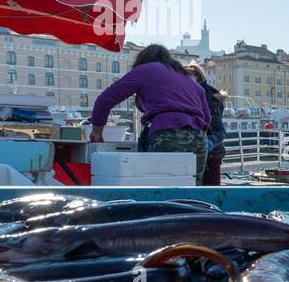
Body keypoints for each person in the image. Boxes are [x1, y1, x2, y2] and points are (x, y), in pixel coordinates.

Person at [89, 44, 210, 180]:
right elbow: (206, 116)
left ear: (143, 60)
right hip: (199, 139)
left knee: (162, 187)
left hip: (168, 135)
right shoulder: (189, 79)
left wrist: (97, 132)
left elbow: (105, 100)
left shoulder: (145, 70)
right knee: (192, 188)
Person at [186, 63, 227, 185]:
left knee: (209, 194)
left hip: (211, 155)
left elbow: (219, 130)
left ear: (197, 78)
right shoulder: (188, 94)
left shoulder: (209, 98)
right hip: (192, 152)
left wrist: (208, 143)